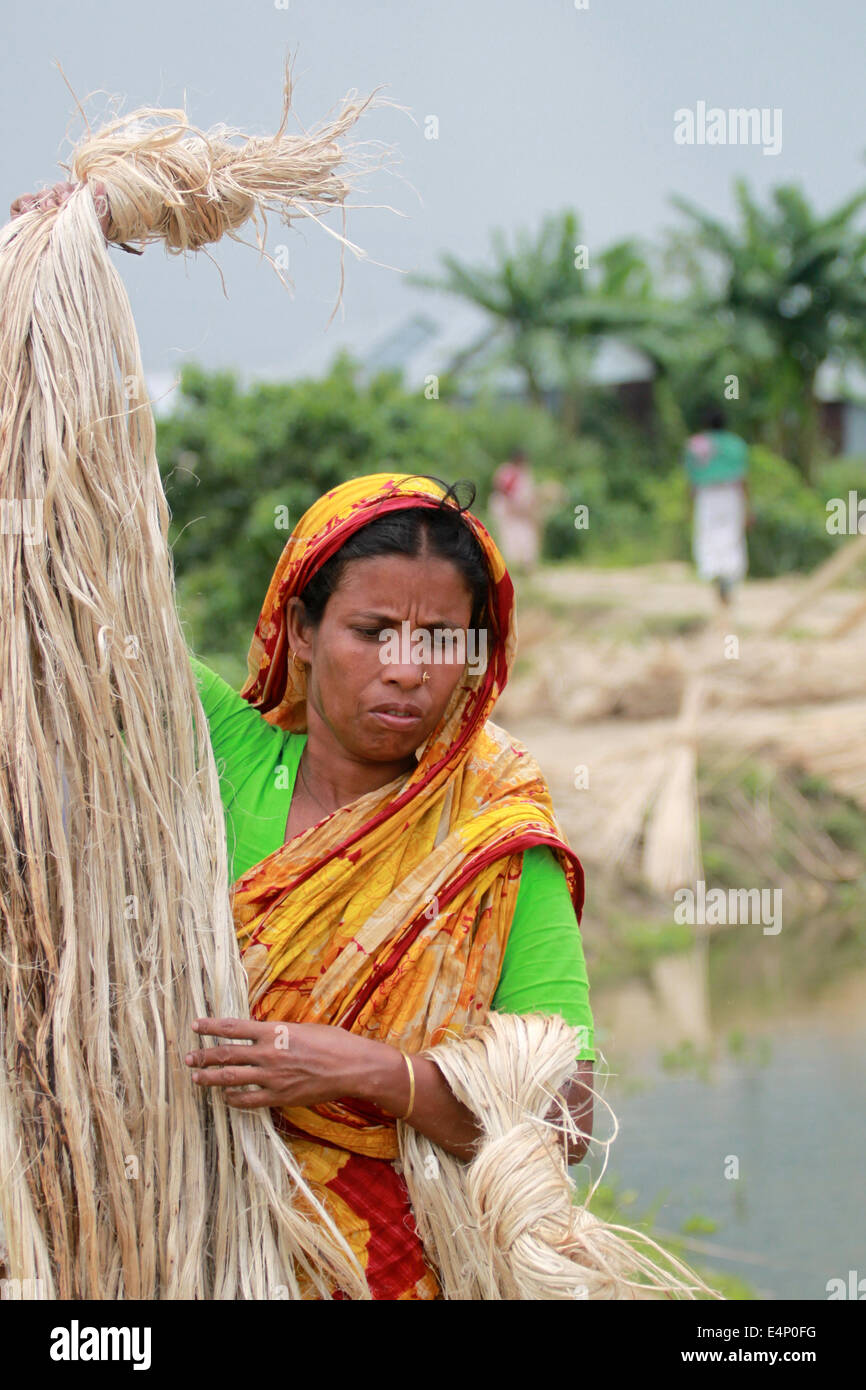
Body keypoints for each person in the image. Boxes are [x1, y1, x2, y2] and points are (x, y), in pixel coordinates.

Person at [11, 185, 595, 1302]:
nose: (408, 667)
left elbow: (560, 1115)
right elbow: (64, 565)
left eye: (443, 638)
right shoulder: (213, 751)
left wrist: (374, 1074)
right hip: (171, 1251)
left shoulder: (492, 834)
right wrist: (60, 271)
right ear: (299, 627)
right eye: (376, 630)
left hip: (396, 1269)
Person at [683, 408, 751, 604]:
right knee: (732, 534)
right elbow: (743, 478)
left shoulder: (696, 444)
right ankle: (730, 575)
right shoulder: (736, 444)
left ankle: (714, 572)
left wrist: (688, 506)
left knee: (707, 534)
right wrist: (748, 508)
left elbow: (691, 480)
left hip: (706, 495)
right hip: (731, 494)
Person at [489, 448, 541, 573]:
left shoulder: (525, 474)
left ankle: (525, 567)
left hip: (522, 513)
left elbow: (529, 494)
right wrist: (512, 507)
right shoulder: (507, 472)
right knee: (509, 538)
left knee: (526, 538)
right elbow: (503, 490)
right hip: (508, 511)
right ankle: (508, 568)